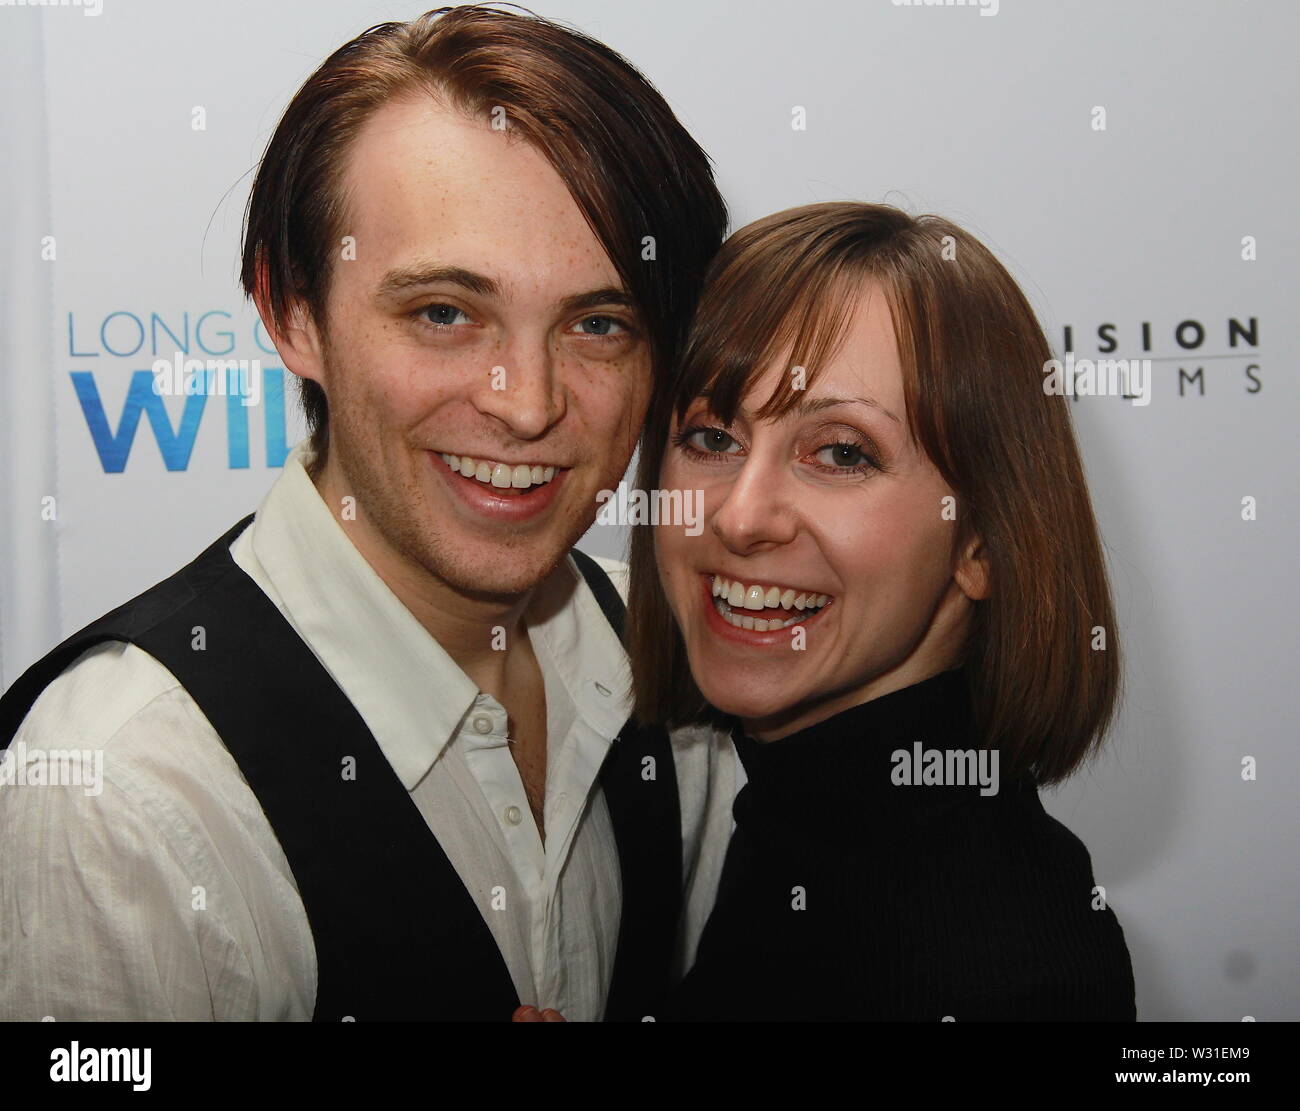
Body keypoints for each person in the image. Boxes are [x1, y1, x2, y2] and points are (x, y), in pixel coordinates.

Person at [0, 5, 735, 1022]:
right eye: (443, 312)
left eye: (598, 323)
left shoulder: (682, 667)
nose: (526, 401)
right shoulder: (117, 794)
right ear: (290, 310)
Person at [626, 201, 1138, 1021]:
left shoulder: (1004, 971)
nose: (740, 517)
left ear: (982, 542)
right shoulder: (793, 823)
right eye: (712, 438)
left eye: (840, 452)